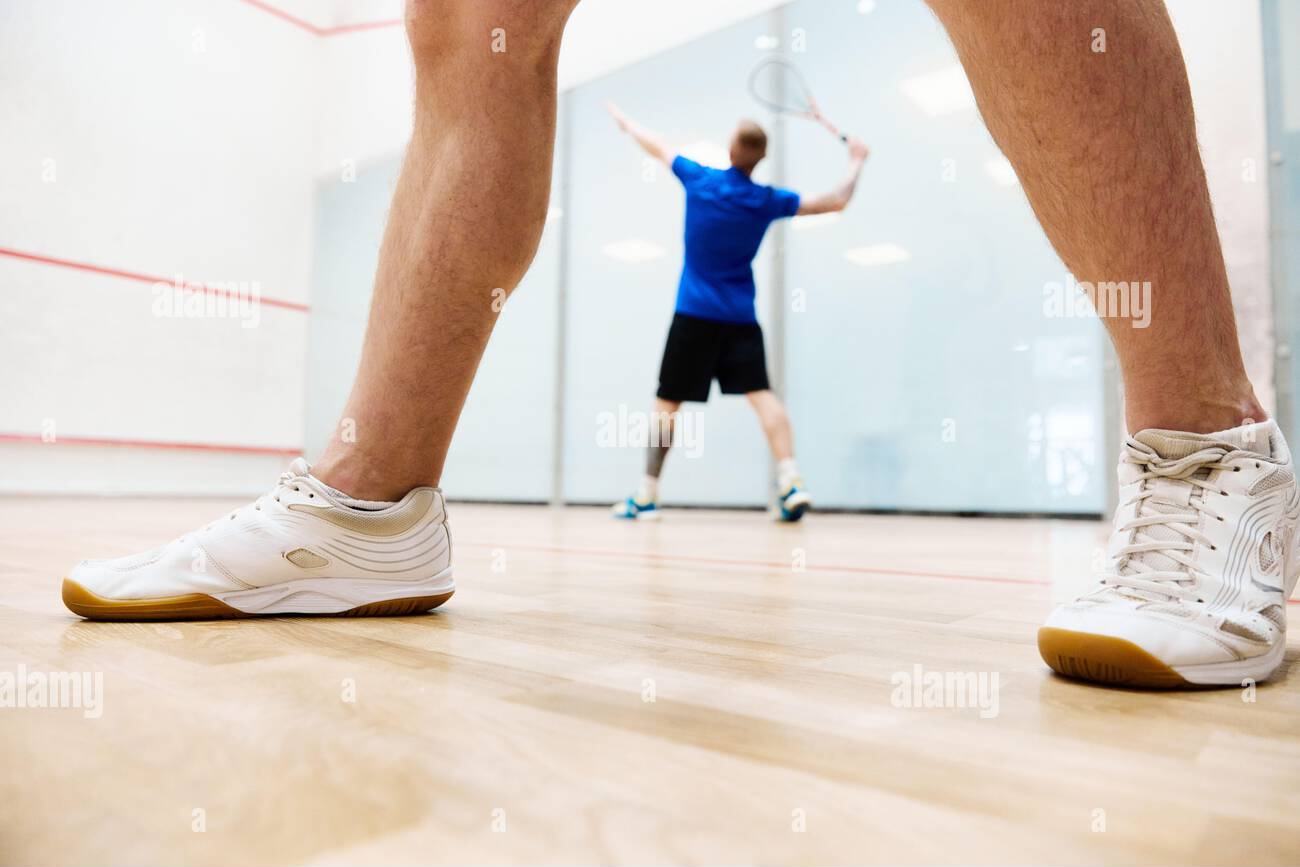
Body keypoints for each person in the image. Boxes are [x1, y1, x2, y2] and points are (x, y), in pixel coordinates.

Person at [62, 0, 1298, 693]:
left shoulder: (720, 178)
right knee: (468, 14)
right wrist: (846, 165)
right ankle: (365, 506)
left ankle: (1208, 445)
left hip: (711, 315)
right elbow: (823, 206)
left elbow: (687, 165)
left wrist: (633, 123)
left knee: (724, 411)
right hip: (717, 317)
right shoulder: (746, 185)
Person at [603, 105, 868, 522]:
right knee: (763, 397)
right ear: (760, 158)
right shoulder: (766, 201)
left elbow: (656, 145)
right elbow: (836, 202)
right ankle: (791, 478)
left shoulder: (699, 179)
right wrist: (856, 160)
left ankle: (647, 494)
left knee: (667, 404)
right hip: (740, 319)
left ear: (730, 149)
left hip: (693, 314)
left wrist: (625, 122)